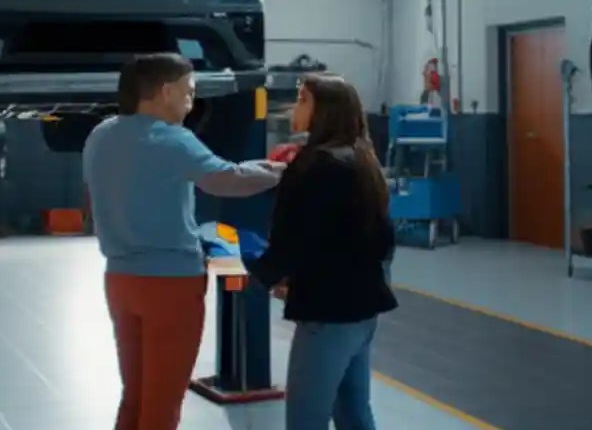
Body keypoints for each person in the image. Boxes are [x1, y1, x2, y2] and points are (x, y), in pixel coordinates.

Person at [82, 52, 283, 430]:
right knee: (162, 403)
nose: (192, 102)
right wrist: (281, 172)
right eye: (188, 92)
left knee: (136, 393)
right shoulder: (173, 139)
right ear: (165, 91)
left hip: (120, 281)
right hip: (170, 285)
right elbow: (228, 179)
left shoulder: (101, 135)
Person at [248, 74, 397, 430]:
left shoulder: (315, 165)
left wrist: (260, 277)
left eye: (302, 99)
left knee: (305, 418)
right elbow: (379, 239)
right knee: (353, 412)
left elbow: (293, 238)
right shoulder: (363, 158)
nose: (292, 108)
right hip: (363, 310)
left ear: (325, 110)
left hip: (328, 314)